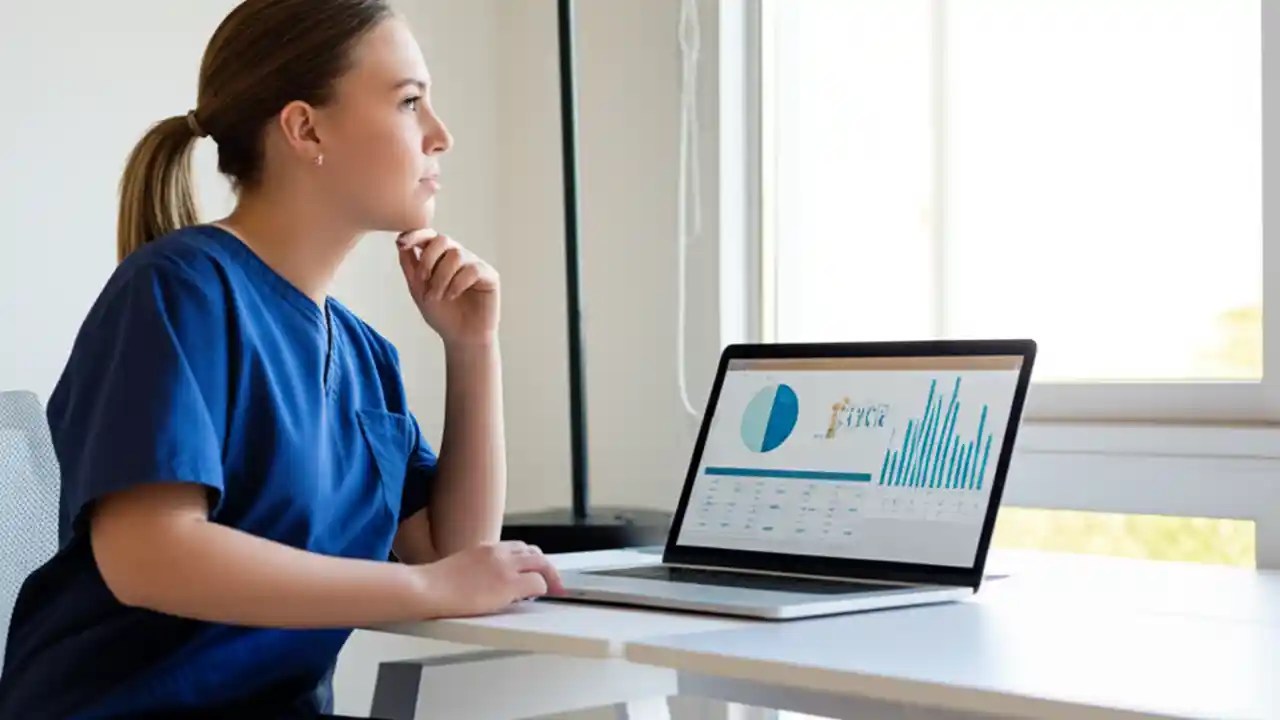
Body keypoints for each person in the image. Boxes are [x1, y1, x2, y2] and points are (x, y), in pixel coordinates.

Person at [0, 0, 563, 716]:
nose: (440, 136)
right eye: (410, 102)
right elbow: (147, 555)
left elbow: (454, 552)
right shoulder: (179, 288)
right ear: (305, 127)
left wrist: (472, 347)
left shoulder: (364, 354)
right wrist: (429, 589)